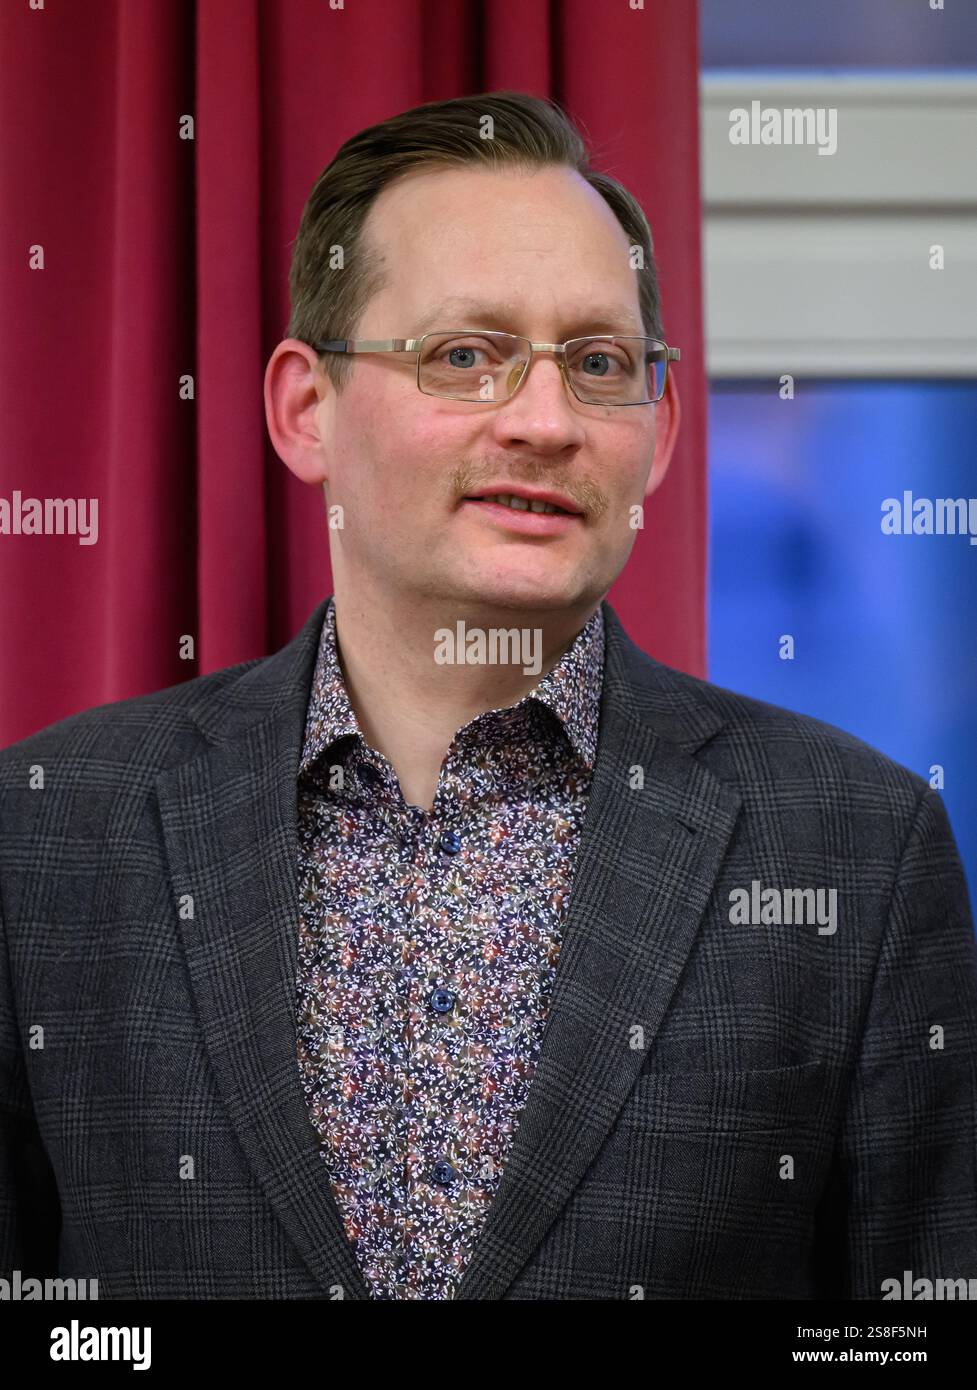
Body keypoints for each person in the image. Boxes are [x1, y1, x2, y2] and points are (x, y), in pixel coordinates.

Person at [1, 91, 975, 1302]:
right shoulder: (44, 832)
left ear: (660, 431)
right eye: (465, 355)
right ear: (306, 407)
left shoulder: (857, 851)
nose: (547, 420)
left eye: (598, 363)